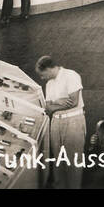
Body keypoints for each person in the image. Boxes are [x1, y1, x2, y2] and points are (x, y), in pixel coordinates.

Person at [36, 55, 85, 189]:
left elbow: (73, 102)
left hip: (72, 122)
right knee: (59, 160)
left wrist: (54, 105)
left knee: (73, 161)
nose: (42, 78)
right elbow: (47, 108)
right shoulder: (49, 84)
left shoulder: (71, 76)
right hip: (55, 124)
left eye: (42, 74)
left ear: (48, 69)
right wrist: (60, 103)